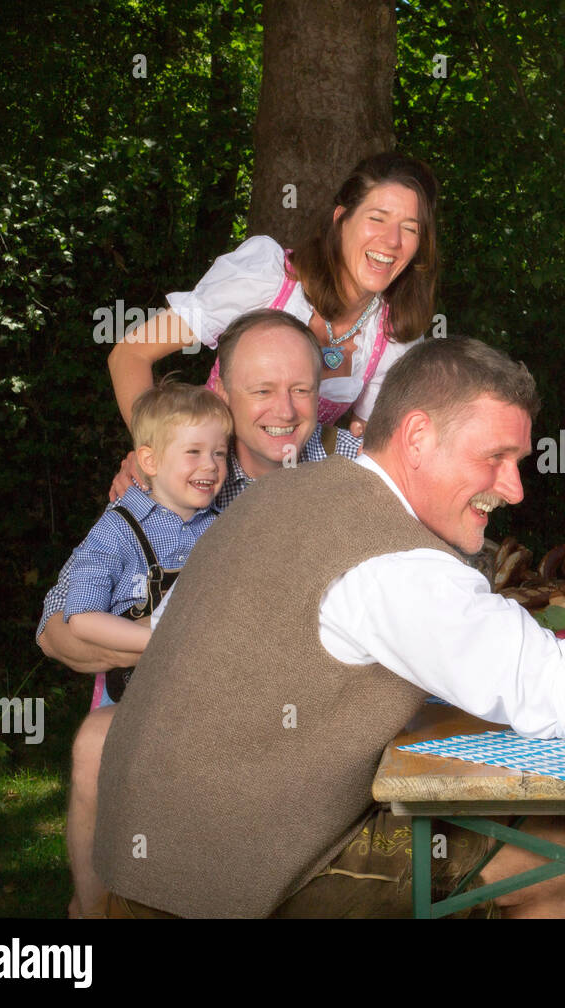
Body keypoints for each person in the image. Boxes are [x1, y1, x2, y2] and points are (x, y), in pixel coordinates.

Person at [92, 337, 565, 918]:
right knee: (558, 857)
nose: (515, 488)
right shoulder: (399, 562)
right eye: (495, 457)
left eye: (517, 460)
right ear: (417, 437)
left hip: (138, 864)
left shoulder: (280, 493)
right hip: (222, 887)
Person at [39, 309, 362, 918]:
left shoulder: (357, 466)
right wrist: (148, 639)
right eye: (261, 390)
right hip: (200, 704)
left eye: (300, 389)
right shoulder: (187, 477)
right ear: (224, 395)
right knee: (96, 743)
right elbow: (58, 625)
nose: (285, 409)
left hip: (319, 708)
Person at [106, 151, 437, 498]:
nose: (392, 241)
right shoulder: (268, 277)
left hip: (283, 506)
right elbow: (130, 354)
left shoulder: (393, 336)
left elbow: (372, 445)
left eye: (410, 229)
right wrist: (153, 452)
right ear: (341, 220)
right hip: (192, 490)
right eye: (377, 218)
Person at [60, 381, 231, 710]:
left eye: (219, 453)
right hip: (133, 689)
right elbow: (82, 618)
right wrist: (161, 640)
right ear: (150, 462)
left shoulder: (225, 527)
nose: (210, 464)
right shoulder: (117, 529)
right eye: (193, 452)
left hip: (206, 685)